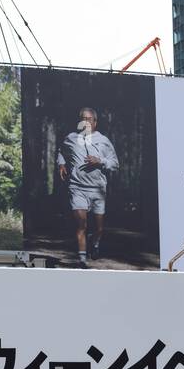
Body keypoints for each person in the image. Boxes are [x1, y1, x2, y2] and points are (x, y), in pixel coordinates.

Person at [55, 107, 118, 268]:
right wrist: (61, 164)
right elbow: (62, 152)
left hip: (98, 190)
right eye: (83, 118)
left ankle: (95, 243)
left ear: (95, 122)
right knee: (81, 224)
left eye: (89, 119)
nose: (86, 121)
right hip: (77, 188)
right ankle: (82, 260)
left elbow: (115, 164)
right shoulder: (71, 138)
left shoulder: (103, 141)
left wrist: (100, 161)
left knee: (99, 228)